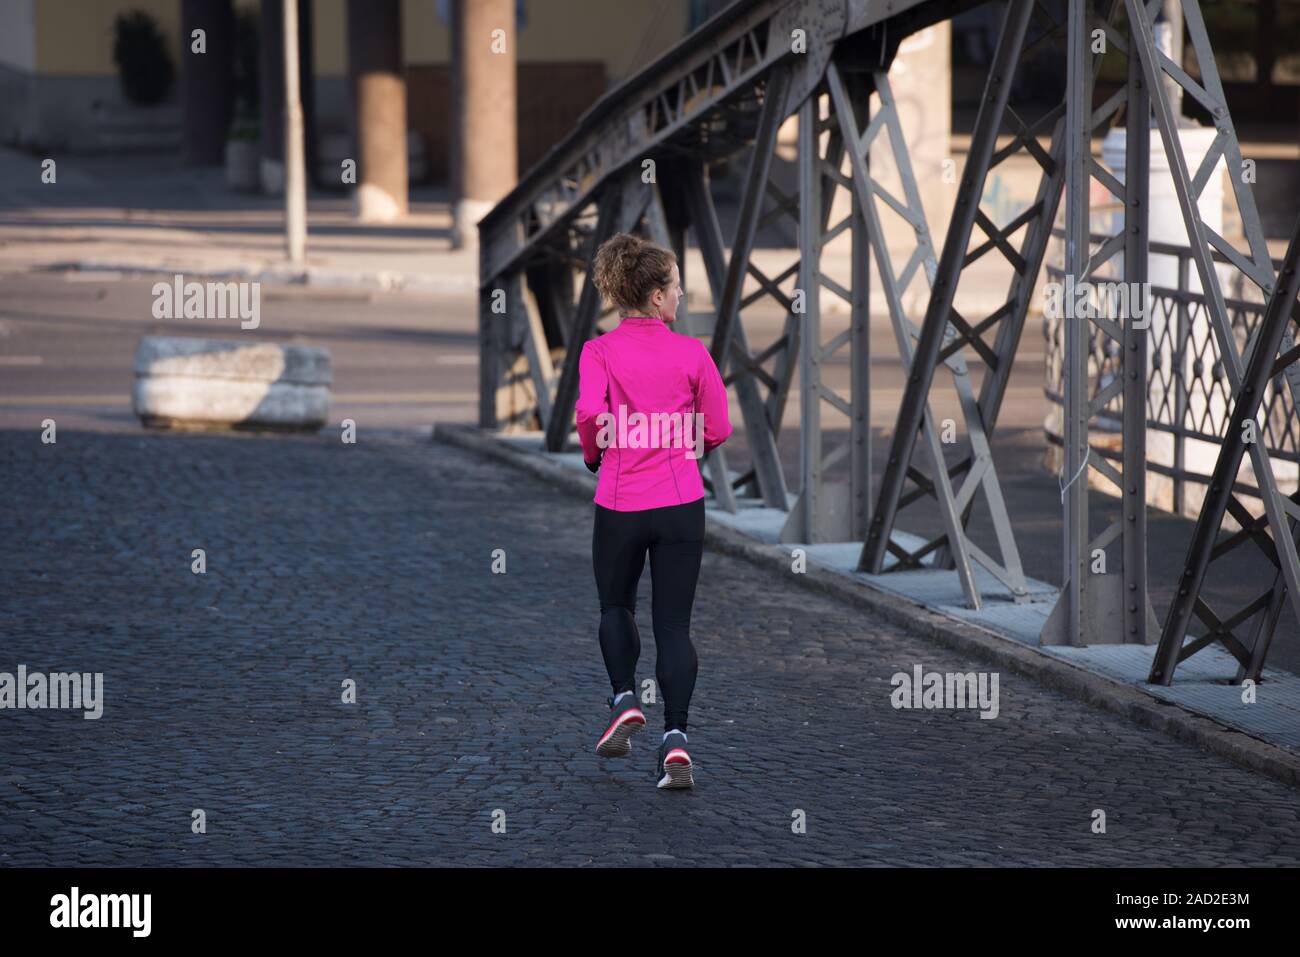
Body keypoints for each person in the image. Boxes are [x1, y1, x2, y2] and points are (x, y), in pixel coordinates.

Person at [575, 232, 733, 789]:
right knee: (674, 625)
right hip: (681, 505)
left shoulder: (599, 352)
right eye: (677, 289)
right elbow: (717, 427)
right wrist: (685, 451)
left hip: (620, 502)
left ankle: (623, 700)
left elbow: (591, 417)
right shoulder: (692, 353)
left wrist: (599, 455)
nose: (681, 296)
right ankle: (676, 741)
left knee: (616, 606)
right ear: (658, 297)